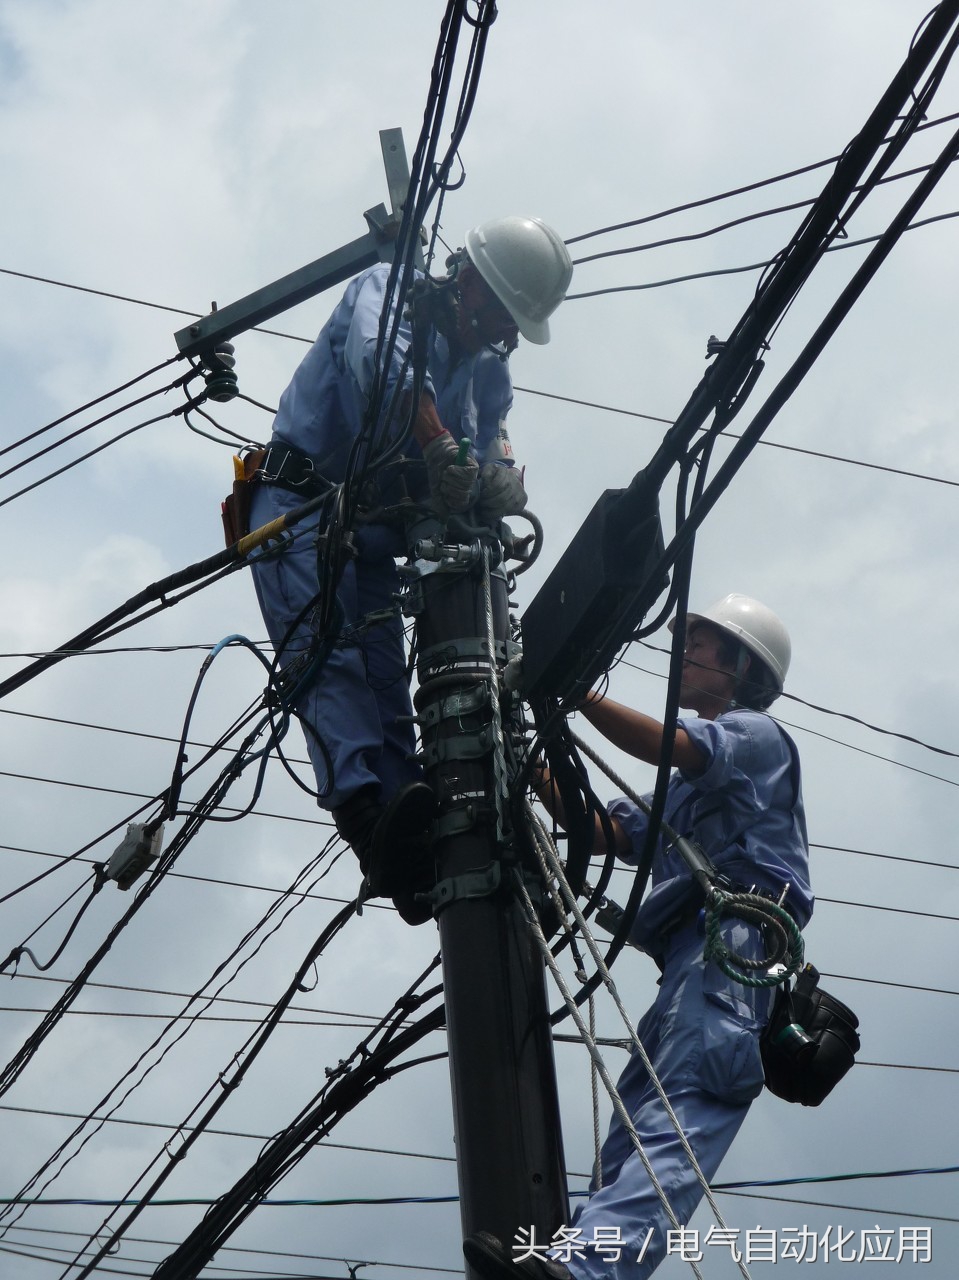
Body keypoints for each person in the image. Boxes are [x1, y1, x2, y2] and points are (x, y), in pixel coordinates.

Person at [465, 593, 813, 1278]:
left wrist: (573, 691)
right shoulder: (679, 784)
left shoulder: (752, 737)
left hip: (736, 945)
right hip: (692, 958)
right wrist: (511, 745)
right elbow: (602, 827)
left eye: (701, 643)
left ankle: (590, 1270)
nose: (683, 651)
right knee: (633, 1127)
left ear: (740, 664)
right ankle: (575, 1259)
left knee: (686, 1100)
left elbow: (667, 745)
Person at [248, 216, 573, 922]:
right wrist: (442, 452)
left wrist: (496, 479)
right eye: (500, 316)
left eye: (515, 327)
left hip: (368, 534)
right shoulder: (386, 291)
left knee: (387, 680)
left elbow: (489, 448)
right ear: (467, 283)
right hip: (298, 510)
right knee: (324, 661)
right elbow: (388, 376)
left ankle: (413, 837)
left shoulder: (487, 369)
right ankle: (368, 823)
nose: (503, 337)